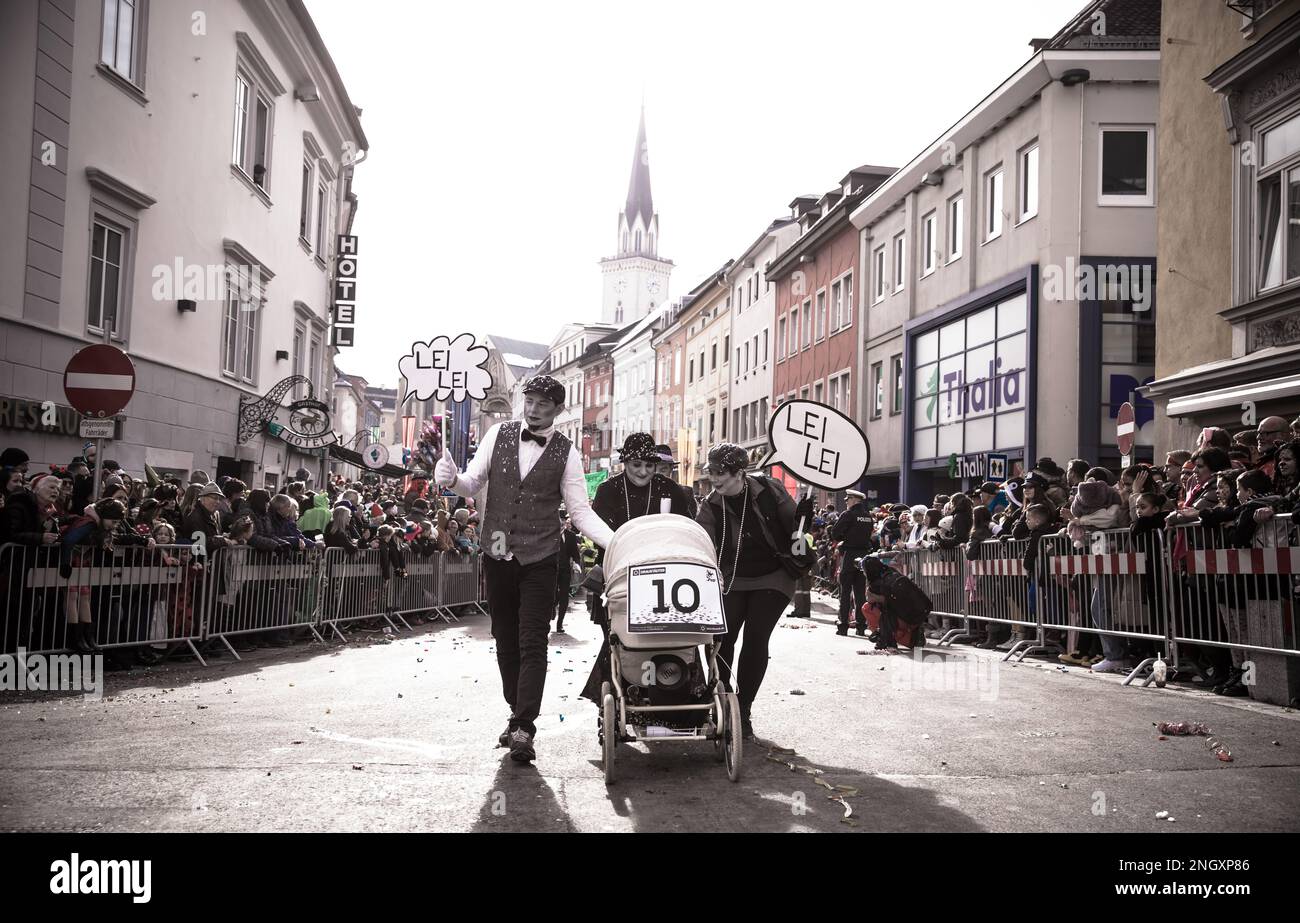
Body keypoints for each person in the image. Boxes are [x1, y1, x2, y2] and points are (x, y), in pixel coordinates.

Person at [434, 375, 615, 764]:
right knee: (504, 638)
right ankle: (517, 711)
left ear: (557, 411)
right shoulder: (498, 434)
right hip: (497, 554)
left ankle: (524, 727)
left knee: (533, 639)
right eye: (529, 401)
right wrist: (450, 480)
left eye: (542, 405)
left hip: (540, 557)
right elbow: (471, 483)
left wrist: (617, 542)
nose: (533, 410)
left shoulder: (566, 452)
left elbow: (580, 511)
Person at [695, 443, 810, 741]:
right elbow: (701, 543)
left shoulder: (769, 491)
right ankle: (725, 701)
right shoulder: (710, 505)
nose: (715, 480)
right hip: (733, 578)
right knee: (723, 638)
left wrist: (803, 522)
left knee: (757, 635)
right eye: (712, 472)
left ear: (740, 473)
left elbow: (796, 530)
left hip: (774, 575)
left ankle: (743, 710)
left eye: (721, 474)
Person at [830, 488, 876, 636]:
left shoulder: (848, 514)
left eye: (848, 499)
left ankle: (843, 625)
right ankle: (861, 627)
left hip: (850, 555)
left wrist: (845, 537)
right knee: (860, 593)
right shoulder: (868, 516)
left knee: (845, 592)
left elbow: (835, 533)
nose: (846, 502)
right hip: (863, 556)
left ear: (855, 500)